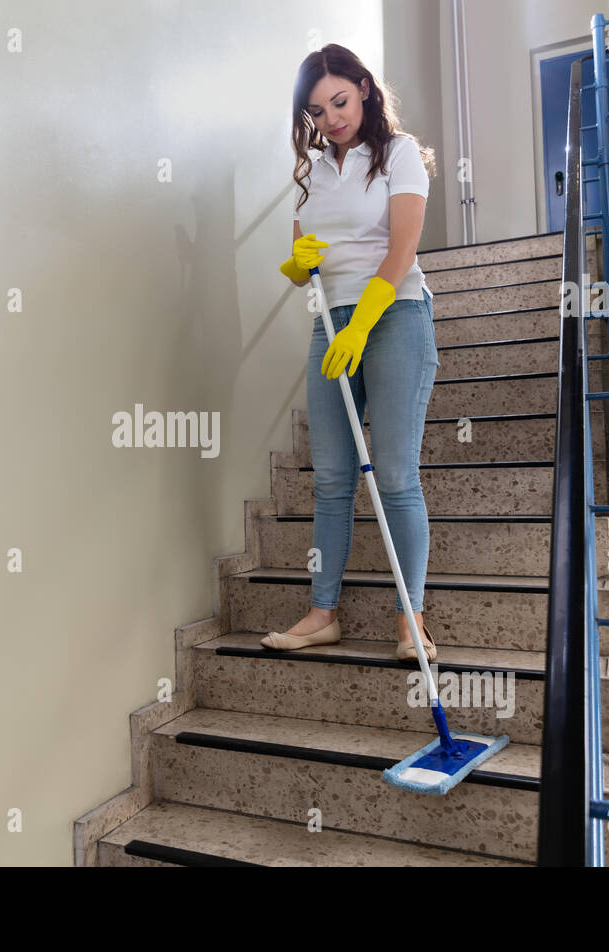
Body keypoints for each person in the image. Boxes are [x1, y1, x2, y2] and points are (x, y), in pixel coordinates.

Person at [263, 44, 440, 662]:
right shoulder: (310, 173)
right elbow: (298, 263)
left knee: (394, 476)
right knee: (332, 479)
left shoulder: (400, 154)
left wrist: (361, 326)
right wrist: (294, 262)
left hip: (393, 319)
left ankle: (410, 619)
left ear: (364, 88)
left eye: (339, 100)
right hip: (328, 324)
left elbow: (402, 253)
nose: (331, 117)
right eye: (317, 110)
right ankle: (322, 613)